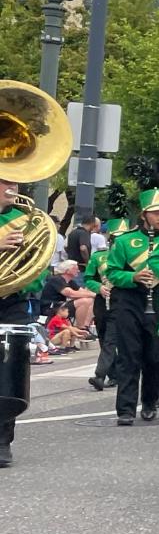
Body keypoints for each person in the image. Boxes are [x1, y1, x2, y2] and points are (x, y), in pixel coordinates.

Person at [104, 186, 159, 425]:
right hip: (130, 301)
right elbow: (112, 273)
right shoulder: (126, 241)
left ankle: (149, 401)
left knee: (157, 356)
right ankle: (125, 409)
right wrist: (133, 277)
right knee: (128, 355)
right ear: (144, 214)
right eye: (156, 212)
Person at [0, 163, 54, 468]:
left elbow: (36, 266)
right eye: (5, 180)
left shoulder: (26, 220)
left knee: (9, 369)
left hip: (14, 302)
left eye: (16, 181)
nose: (13, 186)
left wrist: (24, 280)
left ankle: (2, 439)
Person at [84, 215, 130, 392]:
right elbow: (88, 278)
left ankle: (99, 375)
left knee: (111, 339)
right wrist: (99, 288)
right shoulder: (98, 257)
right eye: (115, 237)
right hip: (102, 302)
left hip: (121, 301)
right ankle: (114, 374)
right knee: (104, 337)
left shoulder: (131, 258)